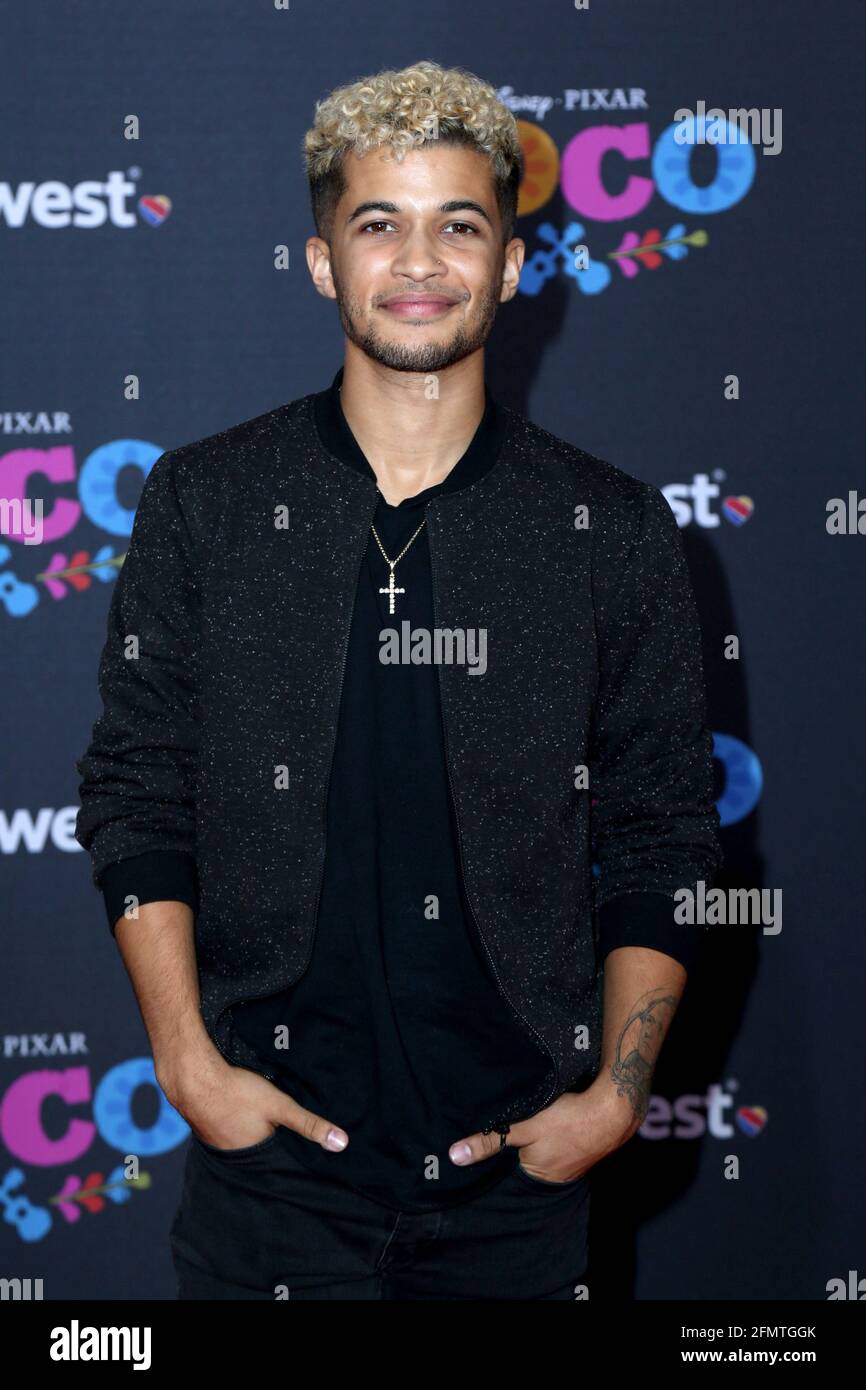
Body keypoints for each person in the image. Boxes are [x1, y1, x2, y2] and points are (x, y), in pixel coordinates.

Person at [74, 59, 723, 1300]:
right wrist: (185, 1063)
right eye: (379, 223)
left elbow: (661, 835)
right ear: (322, 261)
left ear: (513, 265)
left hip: (516, 1186)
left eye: (457, 225)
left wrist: (612, 1098)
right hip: (269, 1174)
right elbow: (136, 792)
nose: (418, 262)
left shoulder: (611, 526)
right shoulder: (206, 501)